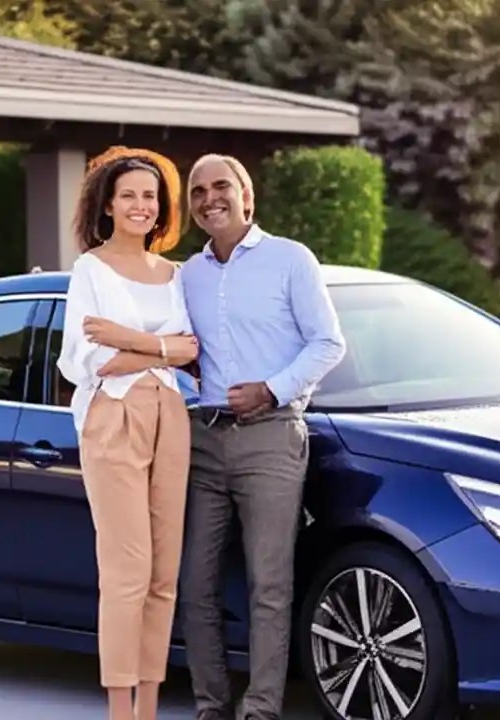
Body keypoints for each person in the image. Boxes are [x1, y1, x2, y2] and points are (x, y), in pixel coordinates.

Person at [178, 154, 347, 720]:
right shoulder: (187, 275)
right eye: (197, 190)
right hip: (203, 437)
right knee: (195, 584)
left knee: (268, 585)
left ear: (247, 195)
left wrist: (272, 390)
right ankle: (210, 705)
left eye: (220, 186)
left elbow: (328, 343)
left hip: (271, 438)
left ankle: (261, 709)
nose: (209, 198)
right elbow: (178, 349)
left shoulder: (290, 260)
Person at [56, 146, 200, 720]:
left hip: (172, 416)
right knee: (127, 570)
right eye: (129, 196)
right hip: (112, 417)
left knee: (164, 573)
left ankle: (148, 707)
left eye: (150, 196)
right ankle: (120, 710)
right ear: (108, 205)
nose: (141, 206)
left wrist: (132, 341)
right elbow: (85, 359)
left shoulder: (178, 275)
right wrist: (161, 349)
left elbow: (192, 352)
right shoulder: (90, 269)